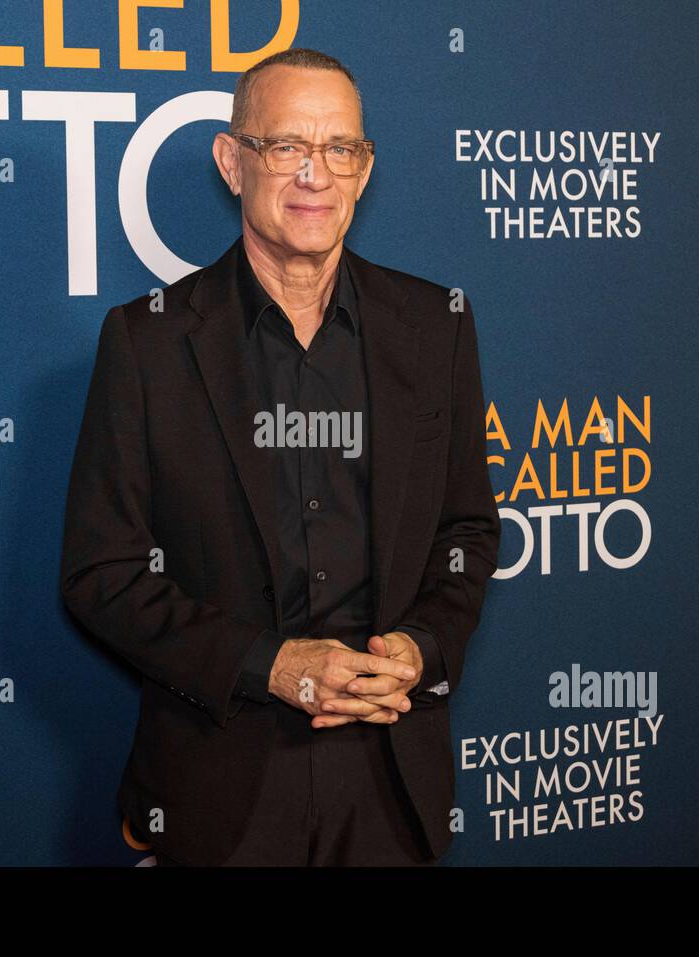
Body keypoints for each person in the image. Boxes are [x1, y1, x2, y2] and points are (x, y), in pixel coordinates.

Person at [59, 47, 500, 866]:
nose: (316, 175)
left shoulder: (435, 325)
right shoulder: (148, 341)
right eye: (286, 146)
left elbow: (467, 527)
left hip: (391, 782)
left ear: (365, 171)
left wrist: (421, 650)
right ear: (233, 162)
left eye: (342, 149)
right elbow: (102, 571)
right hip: (219, 786)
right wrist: (273, 665)